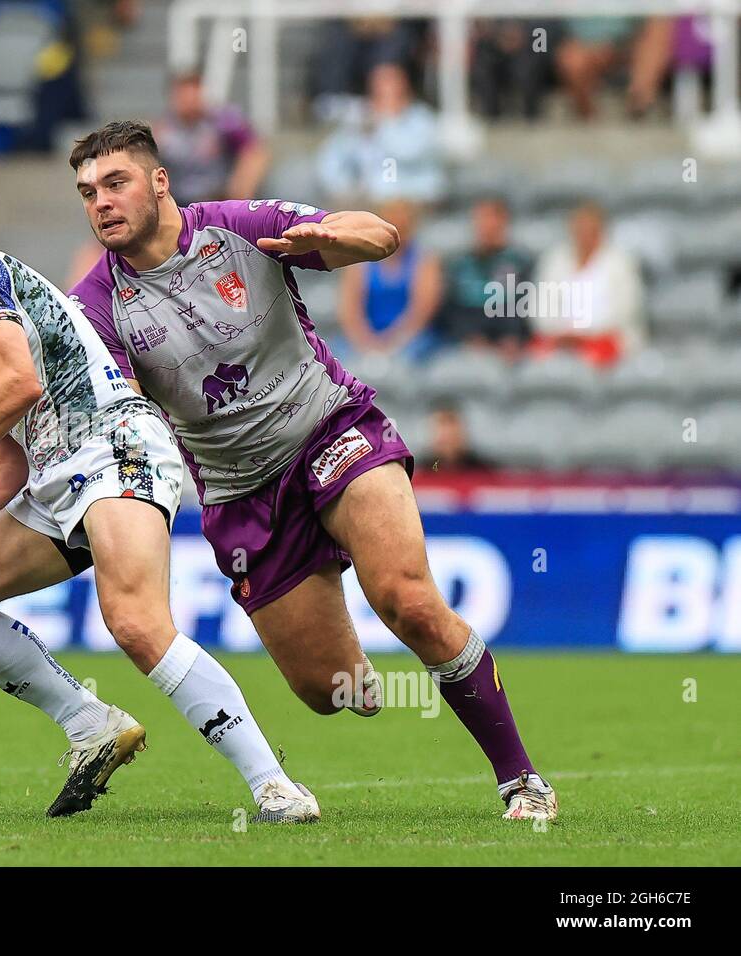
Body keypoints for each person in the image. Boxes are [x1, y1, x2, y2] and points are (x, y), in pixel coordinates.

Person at [68, 121, 557, 821]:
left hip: (328, 430)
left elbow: (381, 237)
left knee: (410, 602)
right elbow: (115, 409)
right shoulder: (98, 305)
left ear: (159, 181)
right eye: (88, 193)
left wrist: (344, 240)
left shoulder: (241, 227)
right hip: (240, 493)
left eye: (115, 183)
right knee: (331, 694)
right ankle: (353, 652)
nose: (102, 202)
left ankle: (522, 781)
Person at [0, 158, 321, 822]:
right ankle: (90, 722)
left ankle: (276, 788)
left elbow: (17, 383)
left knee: (135, 622)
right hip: (51, 473)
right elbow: (4, 459)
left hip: (113, 439)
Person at [315, 63, 445, 207]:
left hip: (417, 200)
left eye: (392, 93)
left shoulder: (422, 120)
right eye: (378, 94)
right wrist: (343, 187)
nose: (384, 100)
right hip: (370, 202)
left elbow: (407, 153)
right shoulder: (363, 120)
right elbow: (331, 159)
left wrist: (386, 122)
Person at [531, 202, 645, 366]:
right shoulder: (555, 260)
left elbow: (626, 309)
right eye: (579, 228)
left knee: (593, 360)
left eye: (590, 229)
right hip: (560, 340)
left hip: (604, 338)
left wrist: (586, 333)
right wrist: (560, 332)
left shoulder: (621, 262)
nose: (584, 234)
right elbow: (540, 306)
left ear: (601, 230)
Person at [336, 199, 443, 361]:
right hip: (365, 339)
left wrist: (393, 342)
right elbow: (350, 311)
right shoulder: (359, 261)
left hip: (411, 338)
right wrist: (365, 342)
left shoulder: (424, 260)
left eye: (403, 225)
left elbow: (421, 312)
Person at [153, 72, 268, 206]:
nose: (190, 101)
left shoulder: (222, 123)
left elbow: (255, 152)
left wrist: (240, 191)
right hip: (178, 203)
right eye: (184, 95)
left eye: (194, 94)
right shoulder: (162, 131)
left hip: (215, 201)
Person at [438, 197, 532, 356]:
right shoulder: (460, 264)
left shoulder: (520, 263)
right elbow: (451, 309)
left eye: (492, 218)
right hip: (465, 339)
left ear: (504, 222)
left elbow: (524, 306)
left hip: (509, 340)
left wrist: (512, 337)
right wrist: (468, 336)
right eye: (481, 219)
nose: (486, 226)